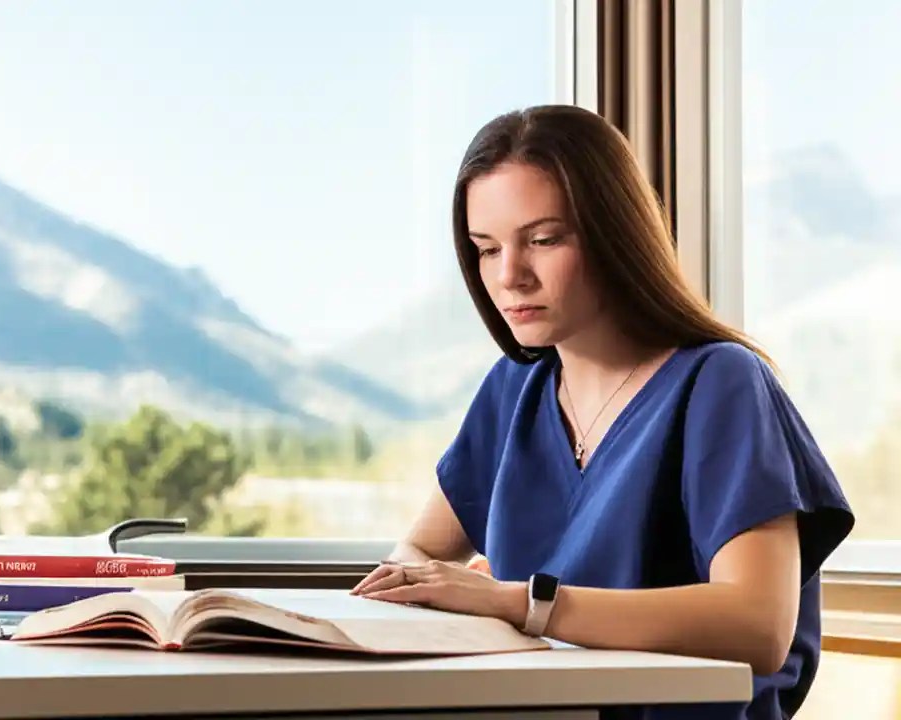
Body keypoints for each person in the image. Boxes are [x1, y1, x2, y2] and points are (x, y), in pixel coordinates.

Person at [350, 105, 854, 720]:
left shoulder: (720, 382)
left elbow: (759, 627)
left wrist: (518, 603)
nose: (509, 276)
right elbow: (416, 553)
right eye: (486, 249)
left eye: (543, 240)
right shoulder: (514, 388)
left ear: (615, 234)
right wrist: (431, 590)